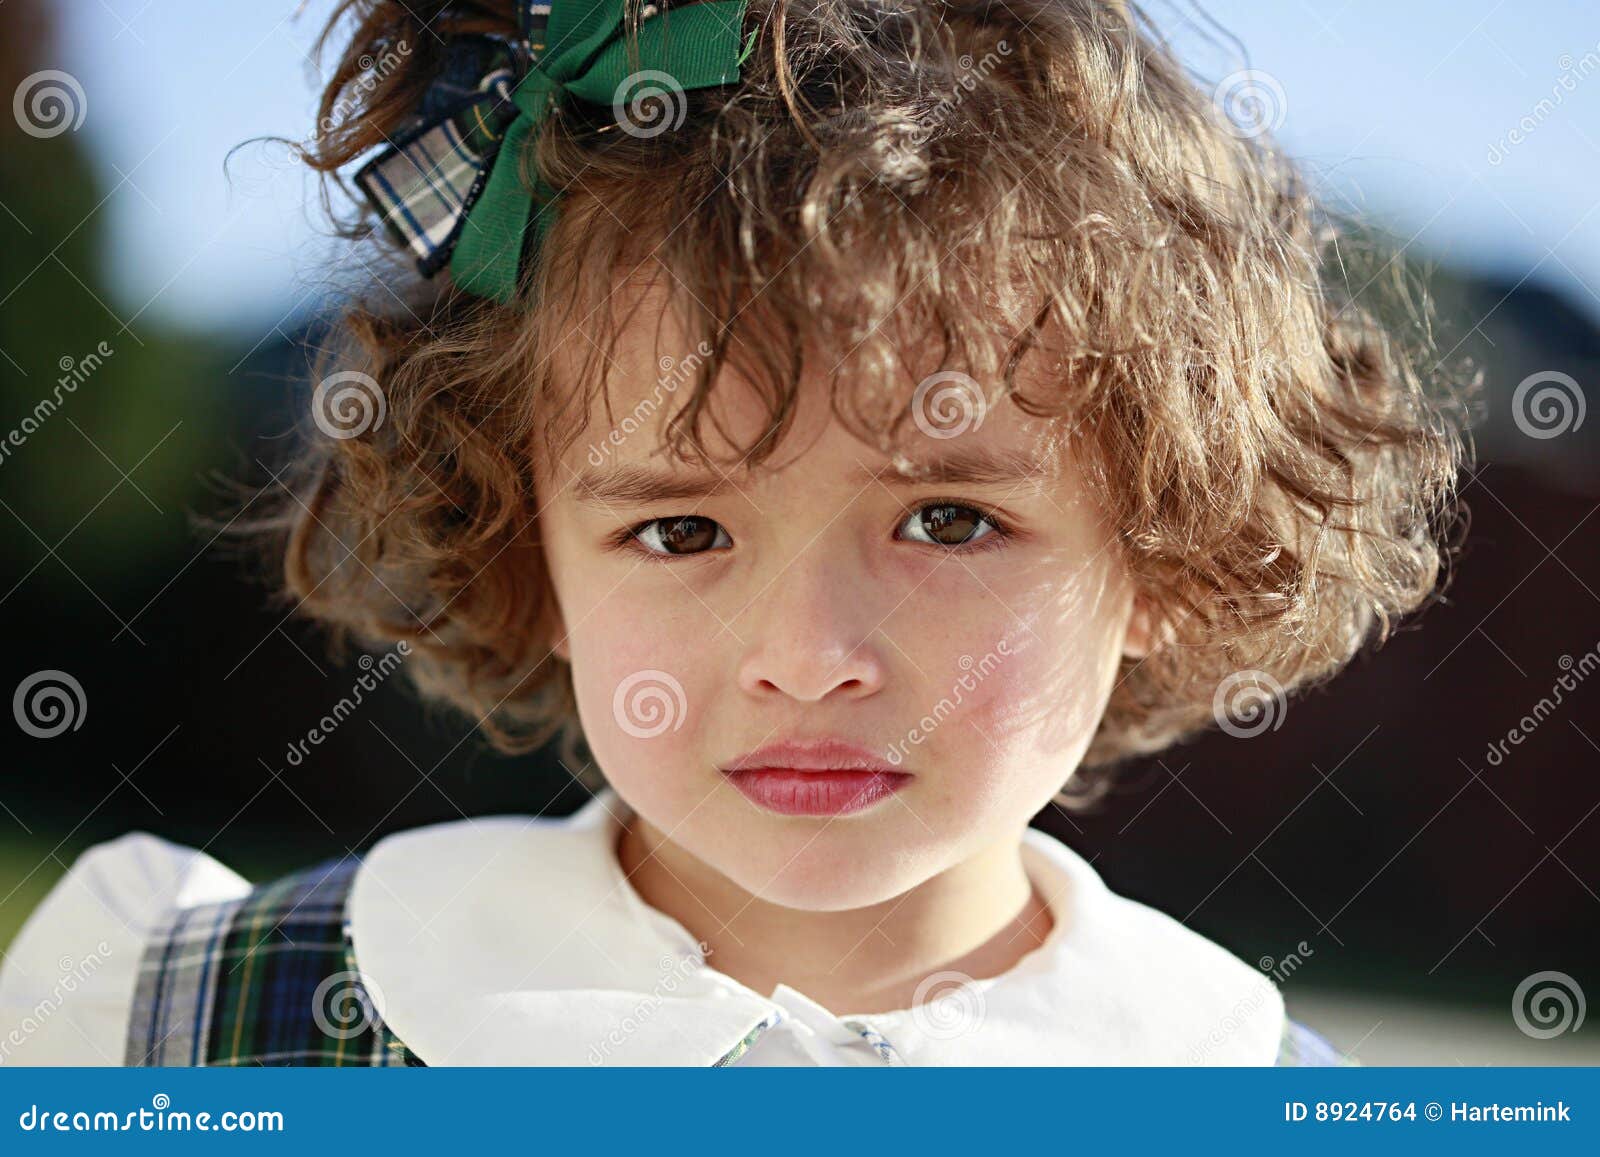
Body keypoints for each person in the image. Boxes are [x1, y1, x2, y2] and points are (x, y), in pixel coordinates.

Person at [0, 0, 1471, 1066]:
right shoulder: (184, 1025)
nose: (807, 656)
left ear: (1162, 538)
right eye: (682, 526)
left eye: (949, 516)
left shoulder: (1241, 1084)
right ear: (533, 552)